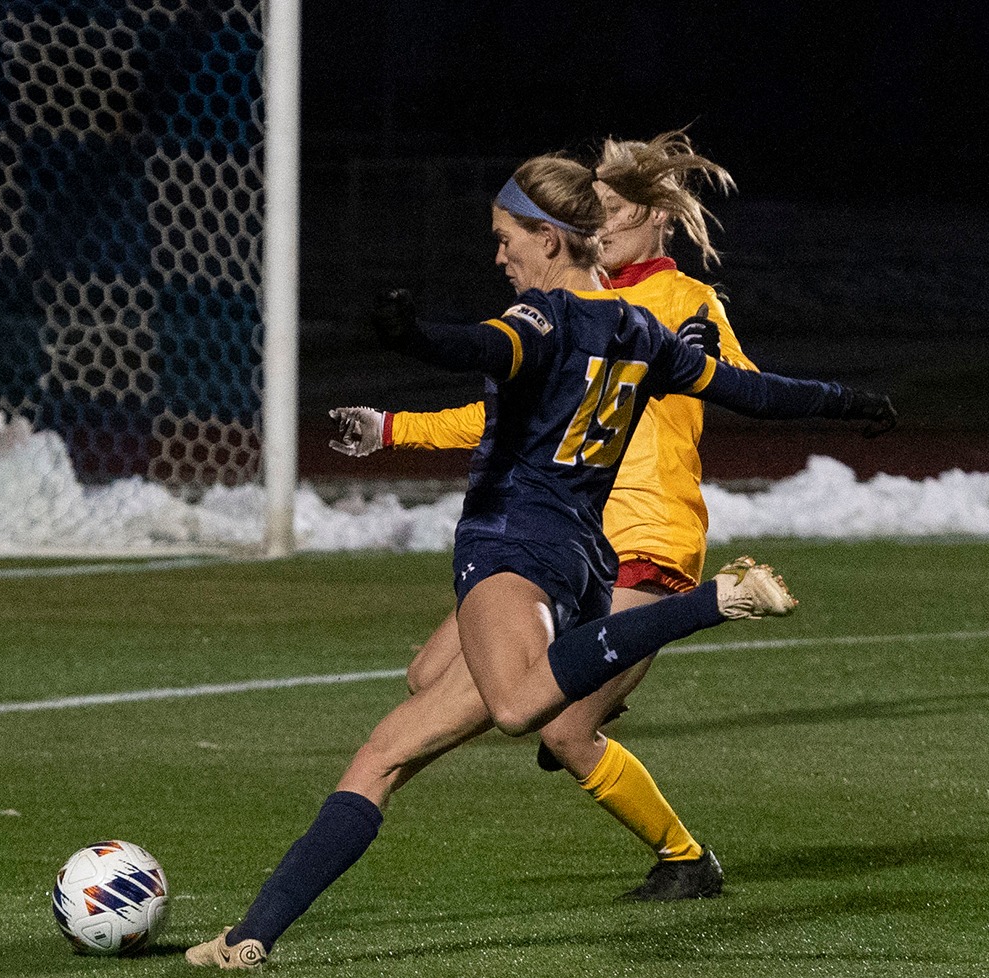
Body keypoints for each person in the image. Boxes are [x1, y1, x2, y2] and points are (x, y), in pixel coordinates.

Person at [188, 148, 895, 969]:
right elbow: (754, 392)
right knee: (395, 738)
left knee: (523, 708)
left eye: (505, 239)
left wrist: (410, 334)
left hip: (516, 551)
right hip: (582, 560)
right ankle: (248, 939)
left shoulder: (545, 320)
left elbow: (483, 347)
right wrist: (848, 401)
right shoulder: (640, 333)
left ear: (551, 240)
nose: (498, 256)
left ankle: (717, 602)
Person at [327, 131, 793, 903]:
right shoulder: (570, 310)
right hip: (566, 544)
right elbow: (504, 419)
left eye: (619, 210)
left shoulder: (684, 302)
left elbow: (744, 384)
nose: (604, 225)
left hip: (648, 538)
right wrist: (391, 428)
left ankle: (685, 860)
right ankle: (575, 683)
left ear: (660, 221)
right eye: (597, 210)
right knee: (428, 675)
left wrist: (707, 349)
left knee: (561, 729)